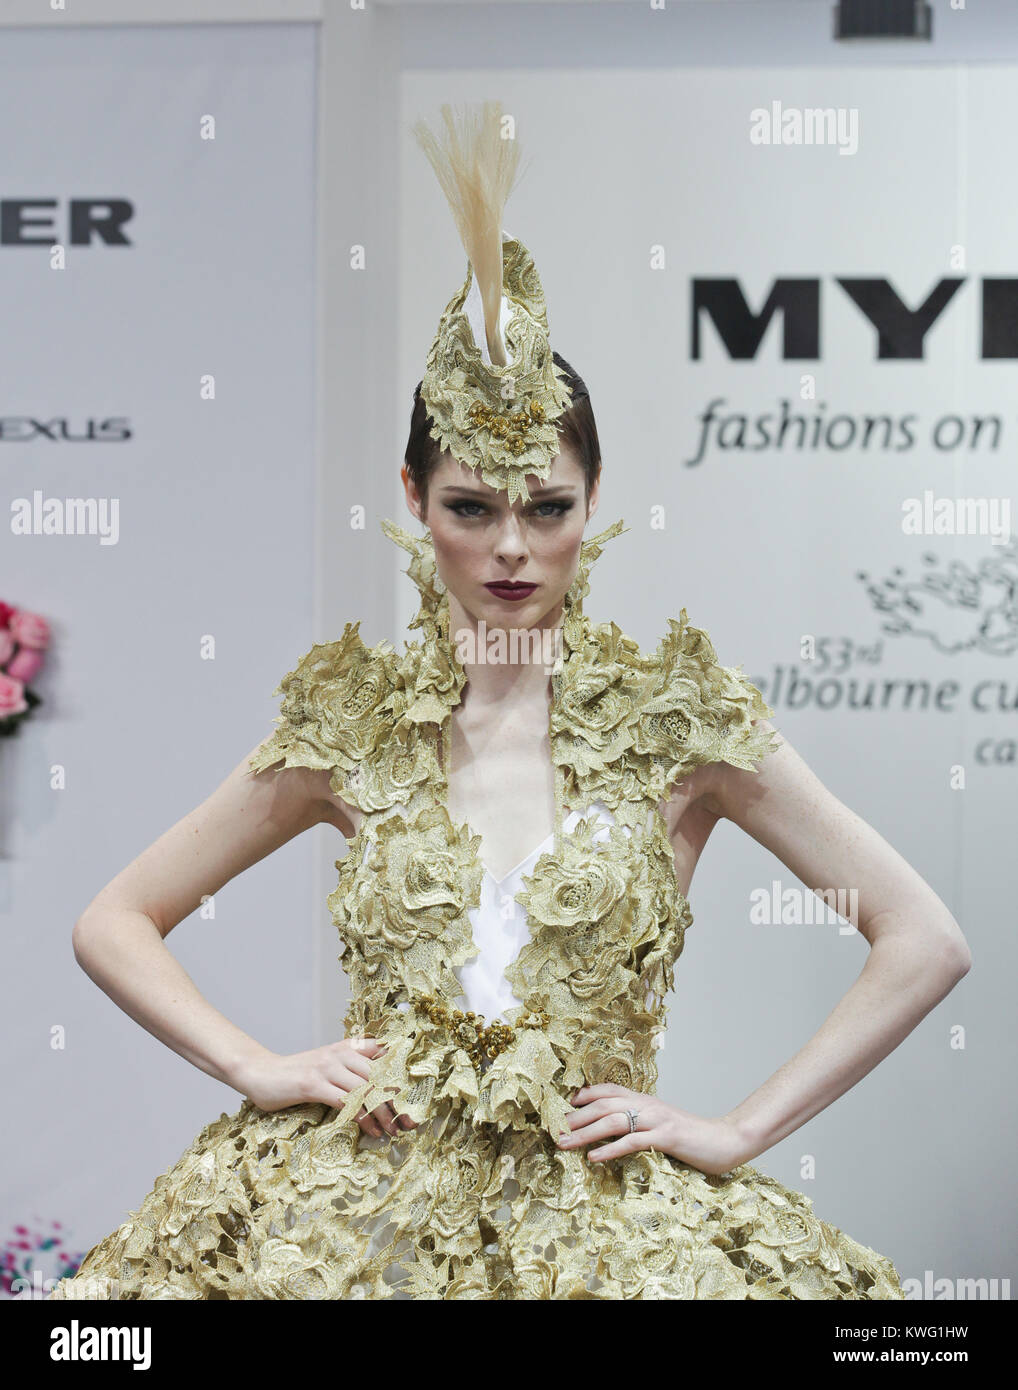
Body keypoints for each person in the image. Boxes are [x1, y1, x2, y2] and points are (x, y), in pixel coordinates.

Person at [48, 102, 969, 1301]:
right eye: (472, 507)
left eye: (547, 506)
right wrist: (257, 1064)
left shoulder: (678, 724)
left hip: (603, 1228)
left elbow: (924, 940)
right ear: (413, 500)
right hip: (352, 1226)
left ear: (595, 501)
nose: (512, 550)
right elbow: (113, 919)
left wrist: (738, 1130)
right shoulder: (353, 725)